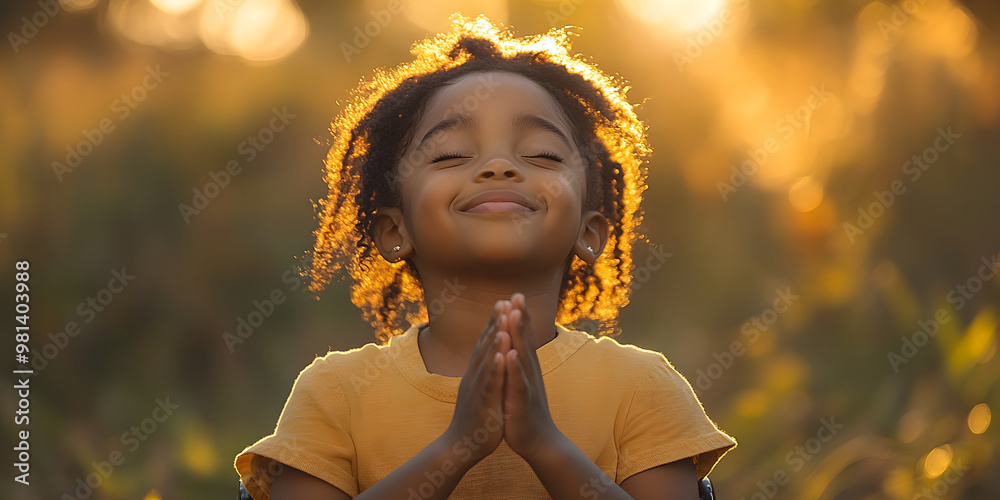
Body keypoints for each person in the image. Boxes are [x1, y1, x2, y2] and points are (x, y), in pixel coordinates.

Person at [234, 14, 736, 499]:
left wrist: (545, 445)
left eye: (542, 154)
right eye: (452, 154)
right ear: (394, 230)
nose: (498, 166)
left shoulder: (641, 388)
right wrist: (456, 448)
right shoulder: (335, 394)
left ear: (589, 232)